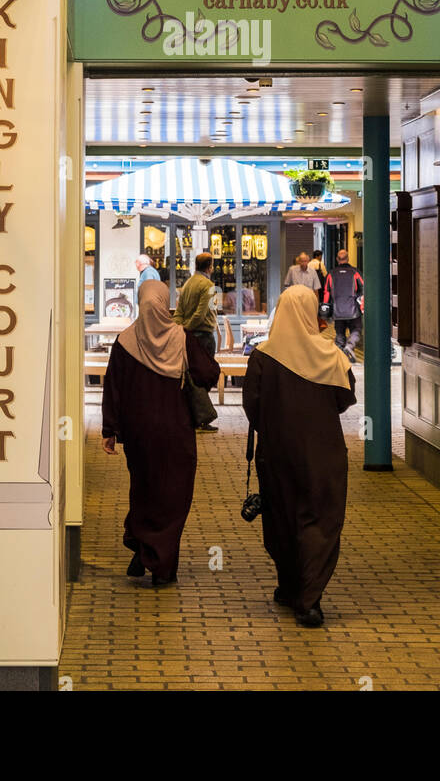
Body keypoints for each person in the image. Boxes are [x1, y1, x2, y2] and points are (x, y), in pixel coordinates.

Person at [242, 285, 356, 628]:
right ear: (312, 313)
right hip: (324, 453)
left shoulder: (263, 355)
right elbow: (345, 398)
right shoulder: (331, 355)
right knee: (319, 519)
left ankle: (289, 585)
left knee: (282, 516)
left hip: (277, 452)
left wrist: (275, 427)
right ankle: (309, 600)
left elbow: (252, 406)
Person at [101, 279, 219, 587]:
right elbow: (210, 373)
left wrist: (109, 430)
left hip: (139, 434)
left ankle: (142, 548)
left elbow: (112, 388)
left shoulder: (125, 341)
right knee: (173, 494)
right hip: (175, 432)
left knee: (144, 489)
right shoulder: (182, 338)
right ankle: (162, 564)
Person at [174, 252, 220, 431]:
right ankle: (202, 417)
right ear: (209, 266)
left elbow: (180, 310)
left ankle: (194, 416)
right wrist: (188, 328)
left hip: (188, 335)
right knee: (205, 375)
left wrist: (179, 328)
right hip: (203, 335)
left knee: (192, 375)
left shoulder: (188, 283)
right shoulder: (208, 285)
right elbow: (202, 314)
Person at [322, 249, 363, 362]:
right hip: (353, 310)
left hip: (338, 310)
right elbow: (363, 287)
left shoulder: (331, 274)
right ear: (348, 259)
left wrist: (326, 309)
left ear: (337, 259)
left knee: (340, 333)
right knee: (356, 329)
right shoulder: (355, 272)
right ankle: (350, 346)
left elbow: (326, 292)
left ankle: (340, 358)